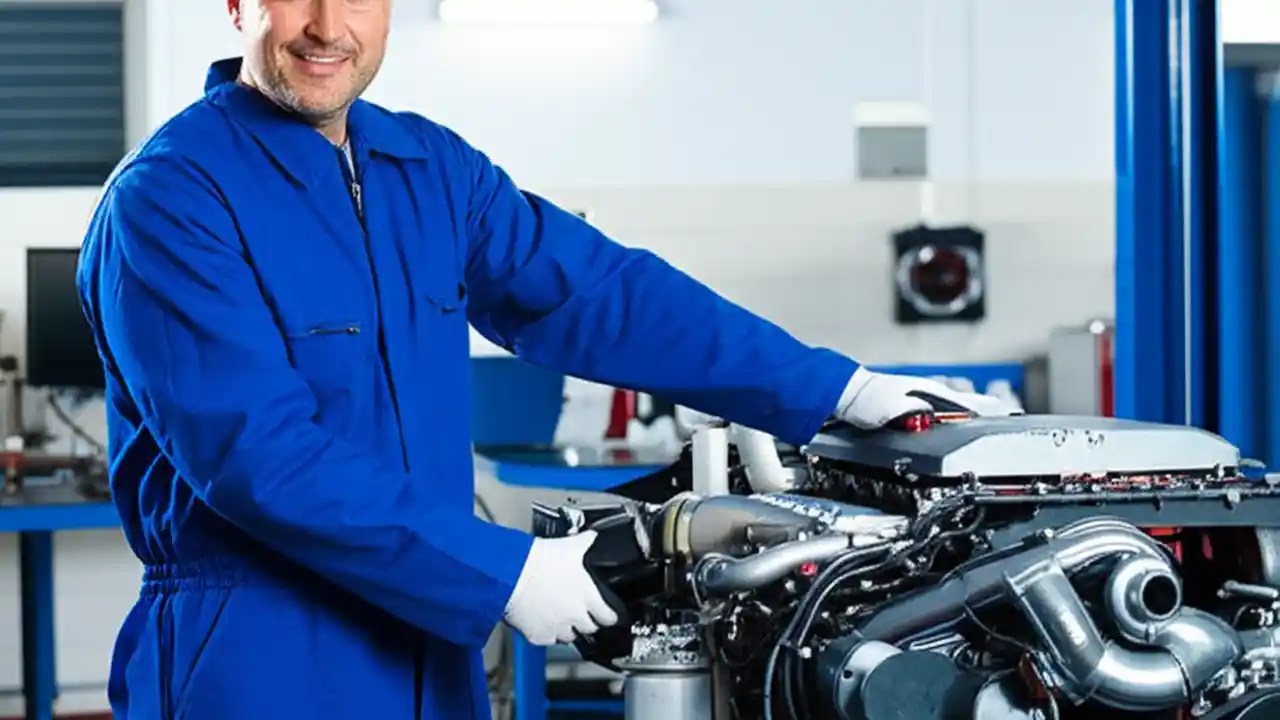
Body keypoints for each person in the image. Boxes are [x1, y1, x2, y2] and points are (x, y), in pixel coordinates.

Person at [76, 1, 1010, 718]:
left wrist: (835, 389)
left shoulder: (425, 169)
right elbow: (259, 456)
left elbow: (599, 293)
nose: (328, 27)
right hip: (258, 650)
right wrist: (503, 569)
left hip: (426, 645)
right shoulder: (172, 199)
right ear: (241, 3)